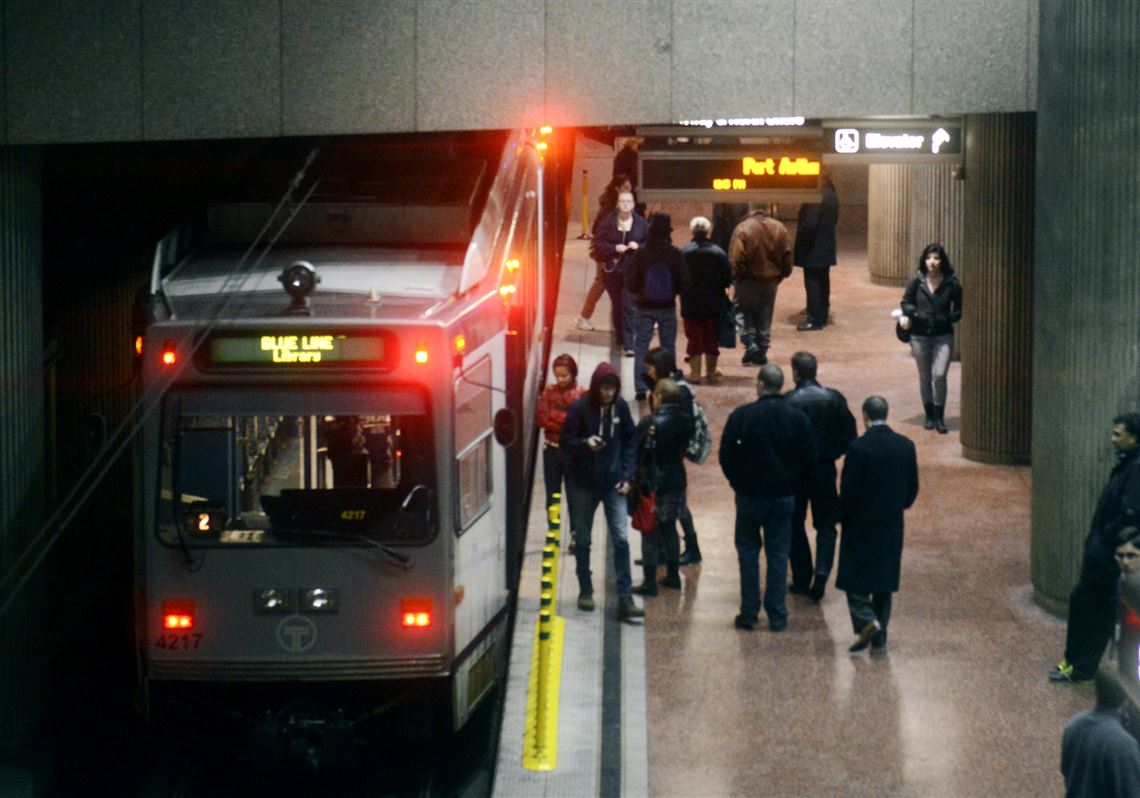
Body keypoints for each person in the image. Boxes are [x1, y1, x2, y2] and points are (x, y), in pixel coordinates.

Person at [720, 364, 815, 632]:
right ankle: (777, 614)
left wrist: (737, 482)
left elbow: (726, 455)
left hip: (749, 496)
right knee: (778, 554)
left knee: (748, 552)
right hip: (782, 496)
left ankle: (749, 612)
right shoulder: (797, 417)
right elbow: (809, 458)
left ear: (760, 384)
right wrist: (794, 484)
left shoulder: (742, 416)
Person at [1051, 412, 1140, 683]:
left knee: (1089, 610)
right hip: (1102, 552)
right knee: (1087, 607)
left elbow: (1130, 511)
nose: (1112, 439)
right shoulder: (1129, 464)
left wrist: (1104, 538)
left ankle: (1078, 666)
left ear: (1133, 438)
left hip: (1104, 555)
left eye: (1118, 434)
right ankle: (1077, 663)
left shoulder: (1135, 468)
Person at [560, 362, 644, 621]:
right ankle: (585, 589)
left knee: (621, 539)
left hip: (613, 483)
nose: (608, 394)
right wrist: (586, 443)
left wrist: (628, 475)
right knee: (583, 539)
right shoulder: (580, 408)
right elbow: (565, 441)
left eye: (612, 389)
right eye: (604, 389)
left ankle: (625, 597)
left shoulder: (619, 407)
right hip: (583, 484)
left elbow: (630, 438)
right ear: (597, 387)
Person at [837, 396, 919, 653]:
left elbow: (848, 491)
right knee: (884, 577)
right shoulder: (905, 446)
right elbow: (912, 488)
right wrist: (899, 506)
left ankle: (865, 619)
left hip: (861, 522)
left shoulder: (858, 448)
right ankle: (880, 633)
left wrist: (843, 514)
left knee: (854, 577)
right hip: (892, 522)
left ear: (864, 416)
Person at [786, 351, 857, 601]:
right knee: (826, 524)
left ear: (795, 372)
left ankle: (802, 577)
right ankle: (822, 574)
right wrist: (832, 454)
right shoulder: (834, 399)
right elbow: (849, 437)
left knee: (793, 524)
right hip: (825, 469)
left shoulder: (788, 401)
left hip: (795, 473)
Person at [631, 378, 693, 597]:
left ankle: (649, 582)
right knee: (669, 529)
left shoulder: (650, 423)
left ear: (657, 397)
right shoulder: (686, 420)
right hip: (676, 481)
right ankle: (673, 576)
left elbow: (636, 453)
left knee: (649, 532)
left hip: (652, 485)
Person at [643, 347, 703, 565]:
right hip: (666, 456)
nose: (648, 372)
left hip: (672, 458)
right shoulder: (663, 384)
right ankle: (661, 550)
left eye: (650, 367)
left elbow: (683, 425)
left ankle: (692, 548)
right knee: (667, 505)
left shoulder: (680, 391)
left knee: (679, 507)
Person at [898, 243, 963, 433]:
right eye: (928, 258)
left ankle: (940, 417)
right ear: (924, 260)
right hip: (919, 336)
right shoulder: (916, 281)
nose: (932, 262)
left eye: (936, 258)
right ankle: (929, 415)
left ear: (942, 261)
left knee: (939, 375)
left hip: (943, 335)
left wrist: (946, 318)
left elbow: (958, 310)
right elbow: (905, 303)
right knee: (925, 376)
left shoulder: (952, 283)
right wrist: (917, 315)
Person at [626, 213, 689, 399]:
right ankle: (667, 384)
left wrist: (640, 292)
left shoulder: (641, 254)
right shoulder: (675, 254)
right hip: (667, 307)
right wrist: (673, 292)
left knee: (641, 346)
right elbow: (685, 281)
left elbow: (629, 282)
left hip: (643, 308)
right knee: (668, 346)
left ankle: (640, 387)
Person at [1060, 667, 1140, 798]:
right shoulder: (1124, 744)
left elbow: (1066, 770)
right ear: (1126, 696)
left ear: (1097, 689)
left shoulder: (1074, 725)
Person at [728, 206, 793, 366]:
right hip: (771, 281)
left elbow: (736, 257)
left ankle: (750, 345)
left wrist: (737, 275)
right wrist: (781, 275)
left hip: (747, 280)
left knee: (742, 312)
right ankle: (761, 351)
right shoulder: (779, 227)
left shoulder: (743, 228)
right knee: (765, 315)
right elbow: (787, 255)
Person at [535, 354, 585, 548]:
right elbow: (541, 419)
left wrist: (556, 420)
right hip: (552, 452)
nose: (560, 380)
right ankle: (553, 531)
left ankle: (575, 533)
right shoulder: (549, 392)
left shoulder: (581, 394)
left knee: (574, 496)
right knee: (552, 496)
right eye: (557, 376)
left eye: (564, 375)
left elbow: (578, 423)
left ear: (573, 374)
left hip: (572, 454)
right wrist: (566, 420)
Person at [589, 190, 647, 356]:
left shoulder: (641, 223)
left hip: (632, 270)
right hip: (612, 270)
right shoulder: (608, 222)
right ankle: (620, 337)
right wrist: (614, 248)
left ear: (634, 204)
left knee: (628, 305)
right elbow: (598, 244)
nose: (625, 204)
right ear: (617, 204)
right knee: (617, 305)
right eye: (622, 201)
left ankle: (629, 344)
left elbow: (649, 244)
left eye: (628, 201)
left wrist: (638, 246)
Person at [680, 216, 733, 384]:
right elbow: (727, 279)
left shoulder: (683, 252)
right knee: (711, 338)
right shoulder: (718, 252)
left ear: (692, 231)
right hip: (713, 304)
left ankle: (695, 373)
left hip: (690, 303)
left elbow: (678, 276)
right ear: (708, 231)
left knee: (694, 338)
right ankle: (710, 371)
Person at [577, 174, 633, 332]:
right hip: (607, 251)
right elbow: (598, 229)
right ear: (617, 188)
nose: (629, 191)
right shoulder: (609, 207)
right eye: (626, 188)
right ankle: (584, 316)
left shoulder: (620, 205)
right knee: (601, 282)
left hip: (616, 250)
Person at [793, 173, 839, 331]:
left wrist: (800, 235)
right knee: (823, 281)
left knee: (812, 283)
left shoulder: (816, 196)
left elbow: (810, 223)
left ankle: (814, 319)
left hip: (813, 248)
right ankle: (822, 313)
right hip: (825, 246)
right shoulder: (832, 194)